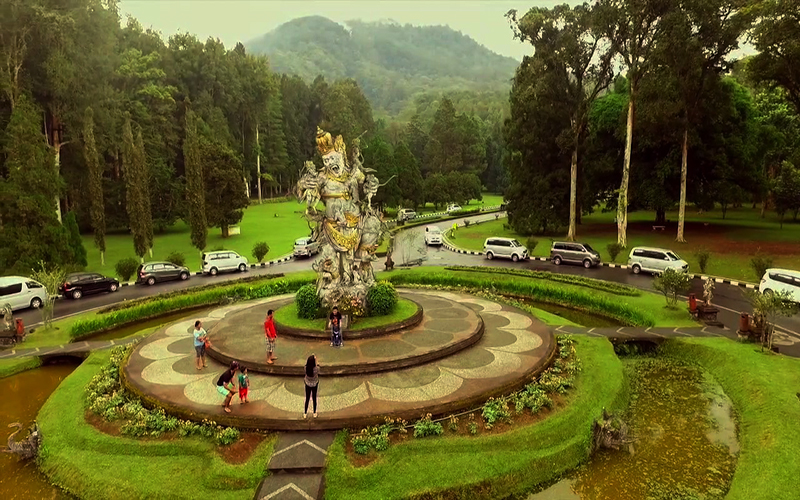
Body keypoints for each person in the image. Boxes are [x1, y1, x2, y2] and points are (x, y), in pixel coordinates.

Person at [304, 354, 320, 418]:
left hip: (307, 383)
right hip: (314, 384)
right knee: (314, 398)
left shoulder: (305, 368)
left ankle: (305, 413)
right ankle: (314, 412)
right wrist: (317, 361)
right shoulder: (316, 369)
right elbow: (318, 366)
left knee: (307, 398)